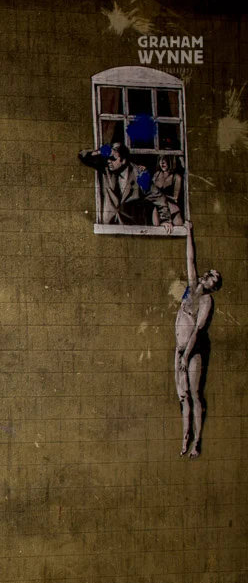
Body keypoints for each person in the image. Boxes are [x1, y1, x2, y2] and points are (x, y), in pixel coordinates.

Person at [174, 221, 221, 458]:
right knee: (182, 397)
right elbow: (190, 259)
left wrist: (185, 356)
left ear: (214, 286)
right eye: (209, 272)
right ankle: (185, 439)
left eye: (213, 277)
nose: (208, 275)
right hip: (180, 349)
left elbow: (197, 331)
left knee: (194, 395)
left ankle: (197, 442)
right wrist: (190, 230)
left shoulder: (206, 302)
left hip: (194, 351)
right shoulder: (192, 288)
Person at [78, 142, 173, 225]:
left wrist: (166, 221)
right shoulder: (105, 169)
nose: (108, 161)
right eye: (108, 158)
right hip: (108, 226)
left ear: (123, 160)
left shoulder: (139, 174)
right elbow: (83, 156)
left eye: (113, 159)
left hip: (131, 227)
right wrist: (100, 151)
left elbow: (159, 198)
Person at [152, 154, 185, 228]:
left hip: (172, 208)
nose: (162, 162)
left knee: (178, 229)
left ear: (170, 161)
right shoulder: (156, 175)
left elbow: (175, 198)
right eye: (160, 160)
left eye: (165, 159)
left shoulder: (176, 177)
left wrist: (161, 196)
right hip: (158, 207)